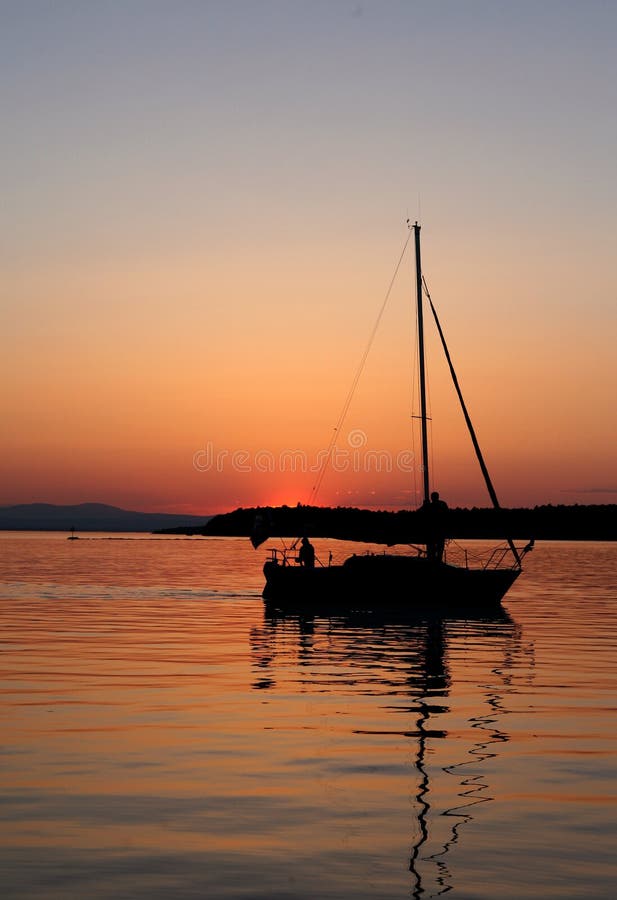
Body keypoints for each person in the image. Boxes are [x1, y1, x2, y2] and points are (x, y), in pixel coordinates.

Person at [424, 491, 449, 562]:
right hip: (440, 531)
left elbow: (420, 512)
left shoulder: (430, 506)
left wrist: (425, 505)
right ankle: (438, 561)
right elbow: (447, 515)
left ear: (432, 498)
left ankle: (434, 562)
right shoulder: (443, 504)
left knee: (433, 549)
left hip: (433, 531)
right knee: (439, 549)